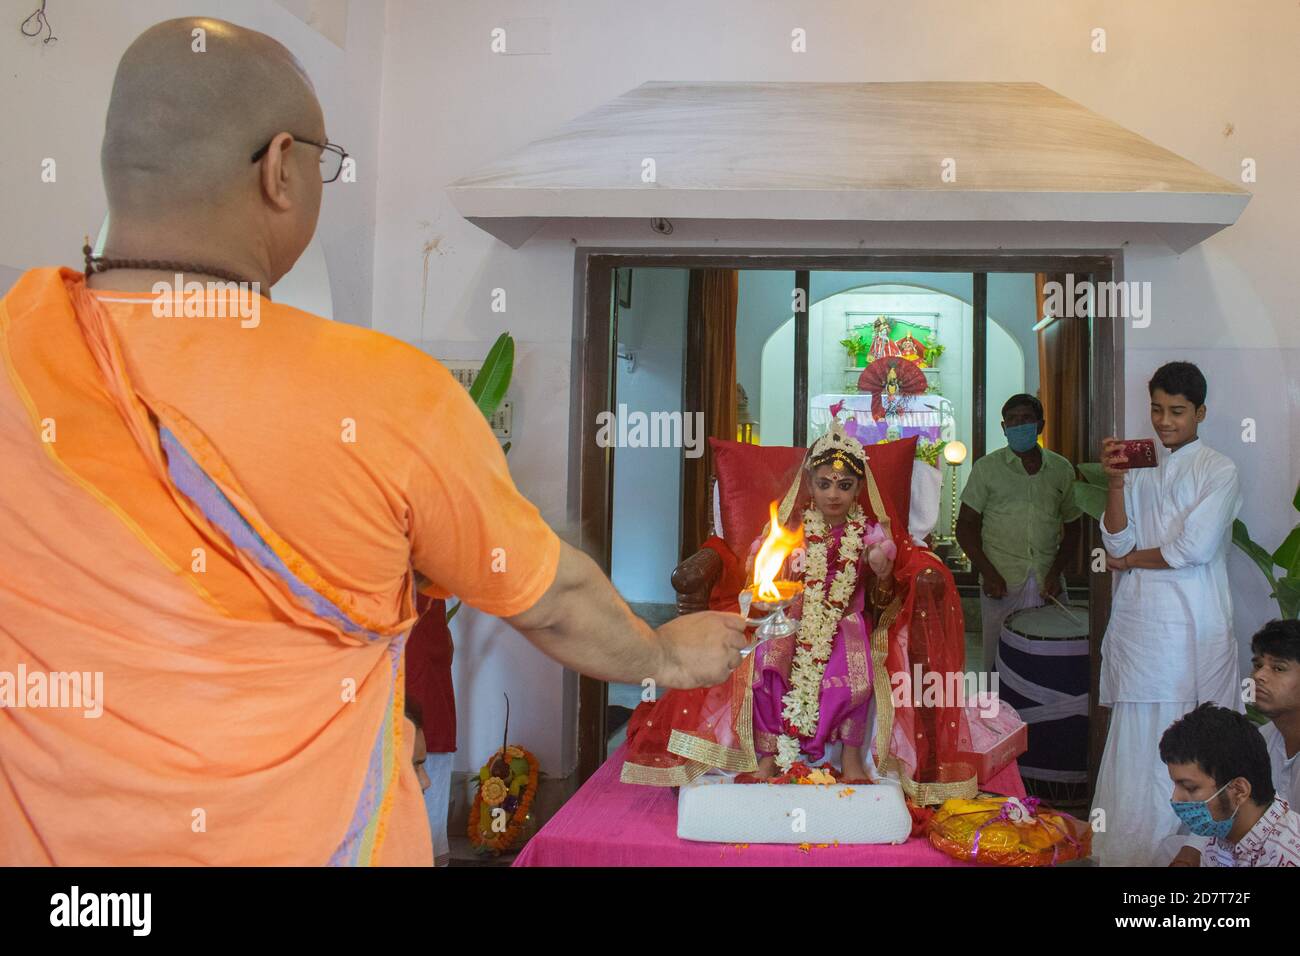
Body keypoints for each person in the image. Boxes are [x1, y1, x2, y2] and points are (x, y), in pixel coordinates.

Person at [0, 18, 745, 865]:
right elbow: (552, 598)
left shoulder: (21, 358)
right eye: (328, 162)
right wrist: (663, 655)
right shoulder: (385, 394)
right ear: (282, 168)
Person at [621, 417, 974, 802]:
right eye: (824, 484)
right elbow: (763, 579)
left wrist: (883, 573)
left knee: (856, 670)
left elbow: (883, 600)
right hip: (791, 617)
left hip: (847, 619)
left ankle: (852, 756)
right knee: (767, 660)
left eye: (844, 485)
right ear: (810, 485)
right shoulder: (791, 531)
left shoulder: (872, 534)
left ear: (859, 489)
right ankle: (768, 754)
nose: (833, 494)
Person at [1091, 361, 1242, 866]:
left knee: (1193, 742)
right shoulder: (1142, 463)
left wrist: (1131, 561)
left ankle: (1186, 860)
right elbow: (1116, 538)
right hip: (1140, 628)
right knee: (1134, 748)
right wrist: (1115, 484)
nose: (1163, 421)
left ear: (1200, 412)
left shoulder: (1219, 469)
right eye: (1156, 409)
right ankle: (1121, 857)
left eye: (1177, 411)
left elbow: (1190, 549)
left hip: (1191, 629)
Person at [956, 393, 1082, 674]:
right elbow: (965, 527)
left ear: (1040, 425)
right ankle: (995, 717)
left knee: (1048, 663)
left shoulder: (1060, 469)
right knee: (998, 663)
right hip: (1001, 583)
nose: (1018, 426)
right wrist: (988, 573)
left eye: (1026, 419)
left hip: (1048, 584)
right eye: (1012, 421)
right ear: (1003, 428)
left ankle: (1042, 717)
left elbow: (1074, 527)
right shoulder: (986, 469)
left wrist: (1055, 573)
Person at [1163, 619, 1300, 865]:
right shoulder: (1264, 739)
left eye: (1278, 668)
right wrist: (1191, 851)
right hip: (1250, 851)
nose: (1259, 676)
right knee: (1169, 847)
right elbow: (1226, 805)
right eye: (1258, 665)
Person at [1160, 704, 1300, 867]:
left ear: (1239, 790)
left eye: (1191, 788)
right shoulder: (1221, 831)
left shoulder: (1287, 856)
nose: (1176, 799)